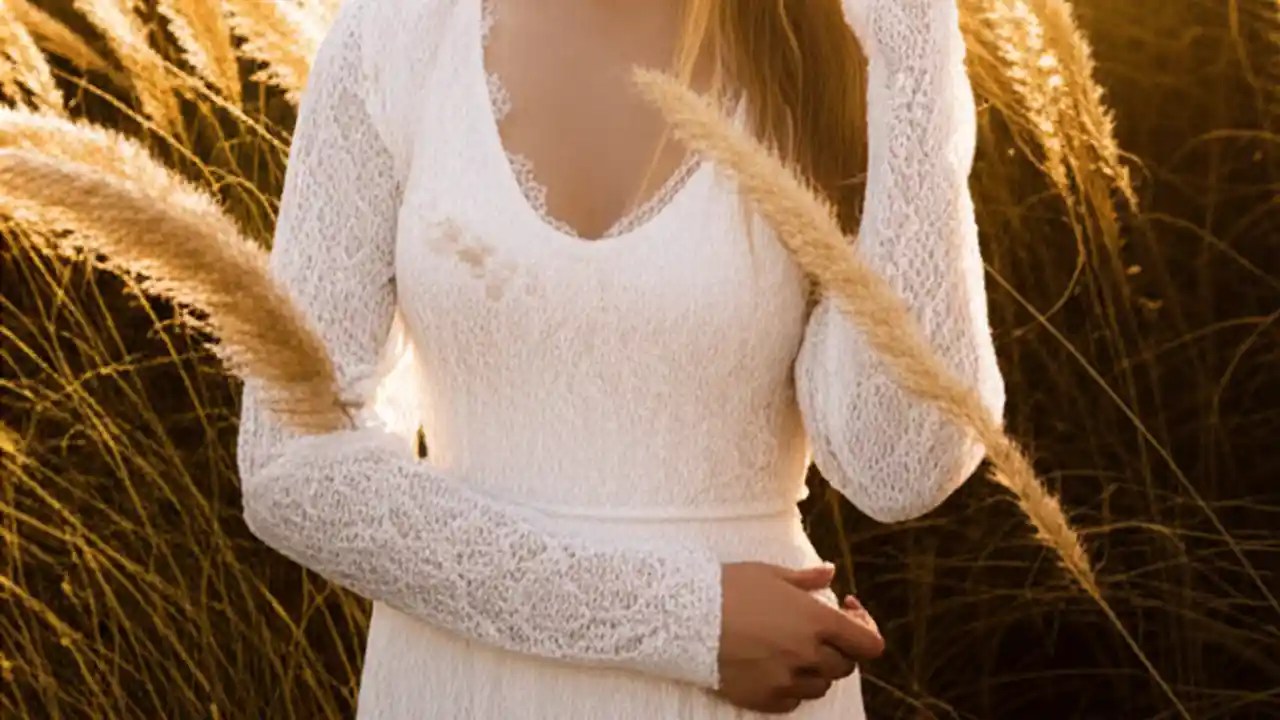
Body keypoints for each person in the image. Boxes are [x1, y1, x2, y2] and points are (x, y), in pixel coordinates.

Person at [234, 0, 1006, 717]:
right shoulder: (397, 37)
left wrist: (914, 46)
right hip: (465, 685)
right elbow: (292, 464)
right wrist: (686, 620)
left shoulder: (816, 37)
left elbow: (898, 466)